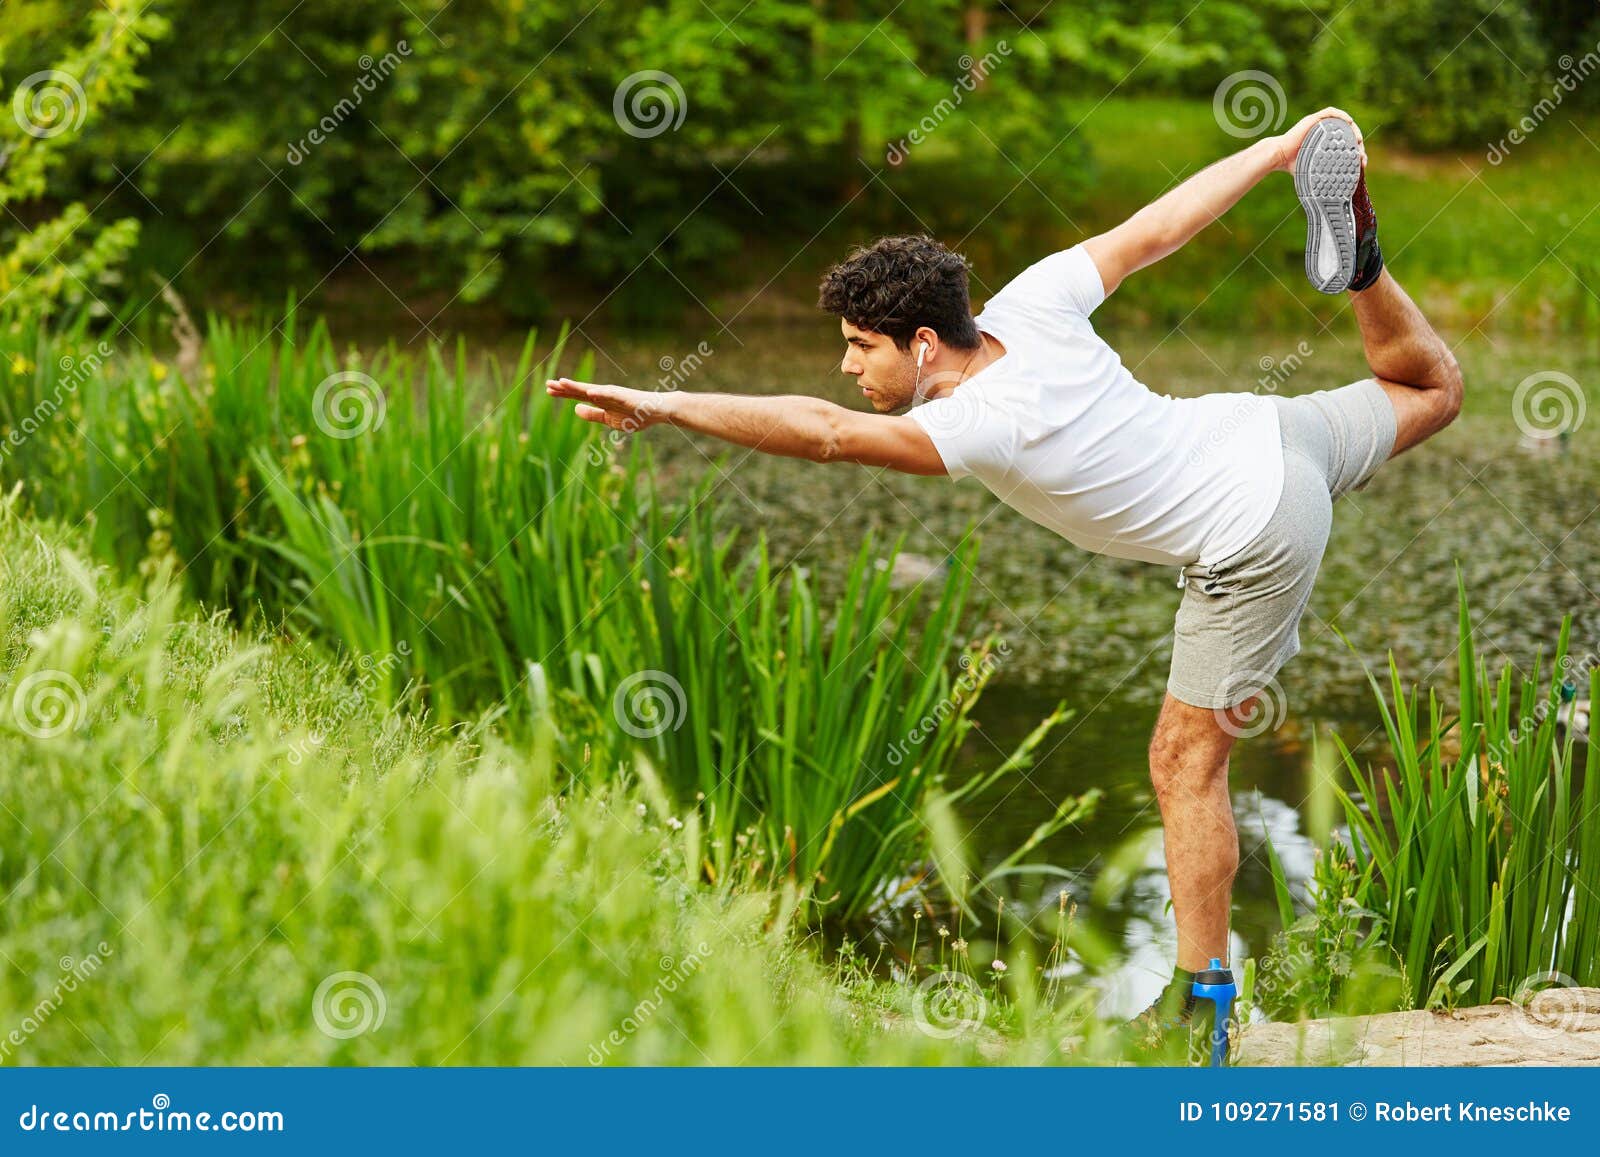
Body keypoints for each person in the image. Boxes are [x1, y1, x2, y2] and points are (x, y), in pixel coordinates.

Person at [546, 109, 1462, 1039]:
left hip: (1253, 528)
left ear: (924, 347)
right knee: (1433, 388)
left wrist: (663, 403)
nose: (845, 363)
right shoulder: (1030, 301)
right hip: (1268, 429)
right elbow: (1161, 228)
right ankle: (1365, 268)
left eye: (862, 346)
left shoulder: (977, 419)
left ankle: (1203, 1004)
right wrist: (1274, 153)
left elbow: (821, 433)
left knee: (1183, 762)